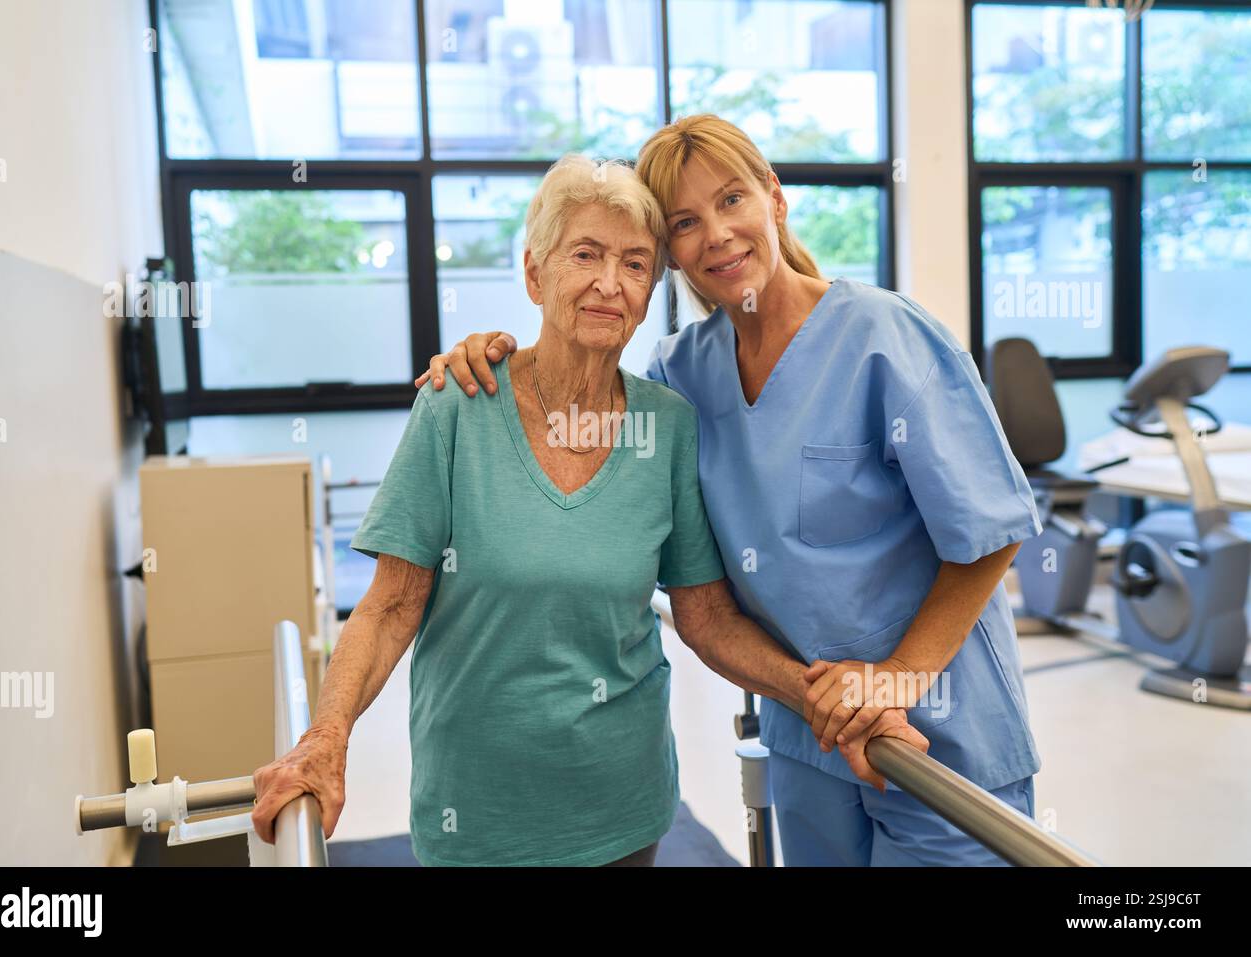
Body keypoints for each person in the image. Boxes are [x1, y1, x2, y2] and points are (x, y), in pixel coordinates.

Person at [251, 153, 926, 867]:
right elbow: (389, 606)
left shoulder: (666, 424)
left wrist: (822, 696)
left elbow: (706, 615)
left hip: (622, 810)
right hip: (475, 815)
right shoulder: (456, 409)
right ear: (535, 273)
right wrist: (325, 739)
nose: (611, 283)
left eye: (636, 264)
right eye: (586, 254)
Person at [420, 115, 1045, 866]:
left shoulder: (883, 335)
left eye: (732, 200)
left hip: (937, 732)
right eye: (685, 222)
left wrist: (893, 681)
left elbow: (990, 530)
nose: (715, 235)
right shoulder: (684, 372)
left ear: (774, 199)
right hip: (807, 732)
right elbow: (583, 399)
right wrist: (488, 356)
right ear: (668, 254)